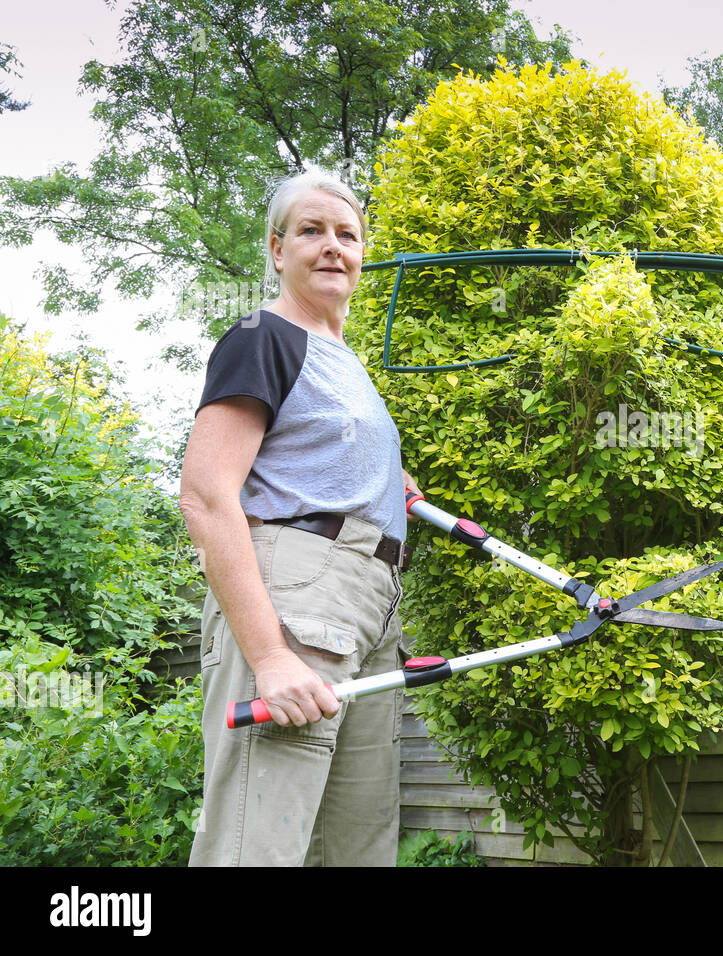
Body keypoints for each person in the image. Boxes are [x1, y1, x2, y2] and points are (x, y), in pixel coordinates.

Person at [179, 170, 419, 866]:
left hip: (371, 608)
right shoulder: (265, 335)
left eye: (348, 235)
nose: (333, 246)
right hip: (296, 599)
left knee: (355, 848)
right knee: (260, 844)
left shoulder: (347, 363)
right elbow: (206, 494)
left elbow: (311, 459)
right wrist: (269, 655)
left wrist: (383, 480)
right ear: (277, 250)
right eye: (311, 231)